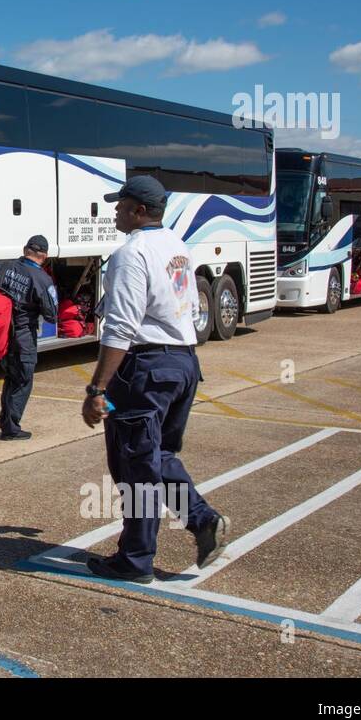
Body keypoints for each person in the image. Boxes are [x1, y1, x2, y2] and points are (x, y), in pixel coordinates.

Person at [81, 176, 230, 583]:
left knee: (134, 464)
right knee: (156, 458)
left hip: (145, 368)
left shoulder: (132, 254)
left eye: (121, 205)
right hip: (182, 363)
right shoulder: (176, 246)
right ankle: (153, 547)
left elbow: (121, 329)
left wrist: (96, 389)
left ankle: (167, 540)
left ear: (140, 211)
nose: (115, 211)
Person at [0, 235, 59, 440]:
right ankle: (11, 428)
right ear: (44, 256)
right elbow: (52, 314)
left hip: (1, 335)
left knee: (11, 377)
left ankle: (4, 417)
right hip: (23, 337)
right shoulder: (43, 279)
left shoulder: (3, 266)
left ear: (25, 249)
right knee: (23, 380)